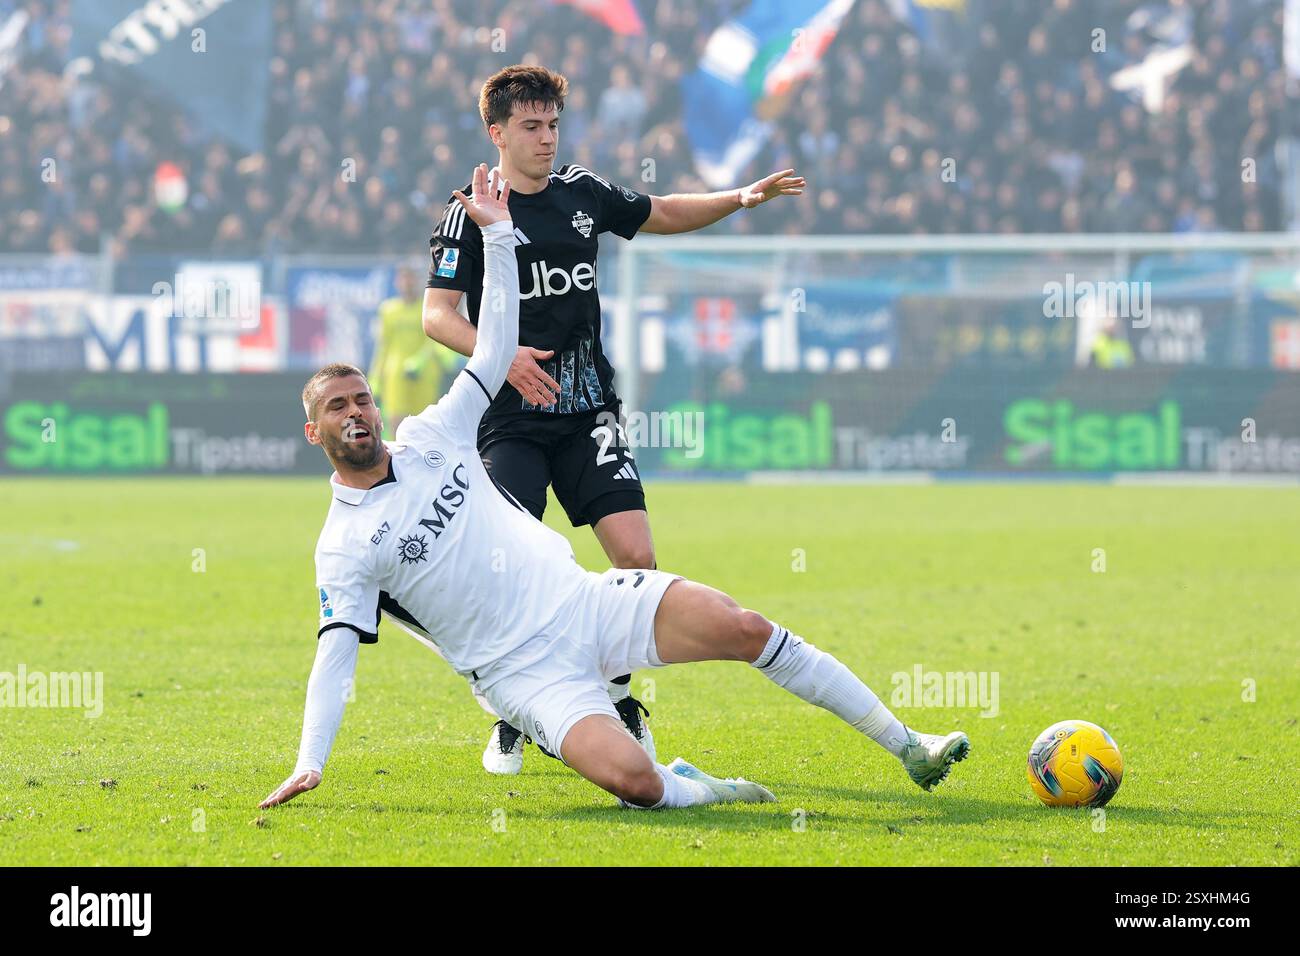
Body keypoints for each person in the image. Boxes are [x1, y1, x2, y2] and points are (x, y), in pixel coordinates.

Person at [259, 166, 969, 812]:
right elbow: (335, 654)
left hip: (583, 604)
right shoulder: (343, 545)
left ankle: (909, 744)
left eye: (360, 401)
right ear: (312, 432)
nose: (355, 414)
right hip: (521, 676)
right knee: (638, 786)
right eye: (336, 409)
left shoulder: (433, 436)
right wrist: (309, 761)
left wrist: (501, 238)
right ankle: (693, 784)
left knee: (745, 627)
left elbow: (495, 339)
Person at [422, 64, 805, 773]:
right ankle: (515, 710)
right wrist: (500, 357)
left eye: (553, 125)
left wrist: (740, 199)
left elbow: (660, 212)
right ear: (496, 131)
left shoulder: (583, 193)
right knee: (515, 565)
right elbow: (437, 316)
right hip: (508, 419)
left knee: (636, 558)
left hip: (589, 412)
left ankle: (619, 698)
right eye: (531, 127)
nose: (545, 138)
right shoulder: (472, 211)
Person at [368, 265, 460, 437]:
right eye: (403, 279)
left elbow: (434, 341)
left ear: (418, 281)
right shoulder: (388, 309)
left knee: (424, 422)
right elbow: (383, 345)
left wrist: (421, 360)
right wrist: (375, 377)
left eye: (411, 279)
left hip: (425, 372)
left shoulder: (428, 307)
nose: (407, 283)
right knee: (395, 420)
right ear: (397, 282)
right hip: (395, 373)